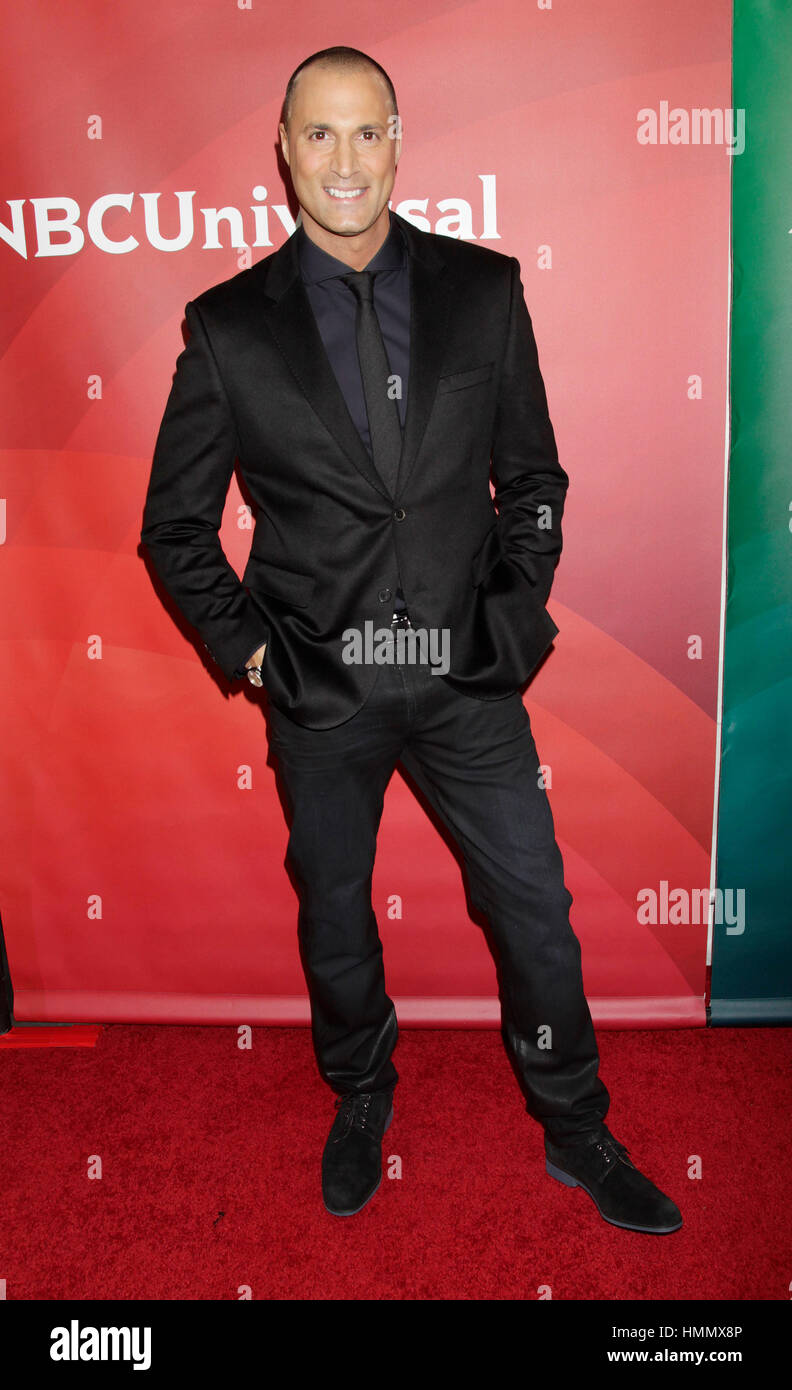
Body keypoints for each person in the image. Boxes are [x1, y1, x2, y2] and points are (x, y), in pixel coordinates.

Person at [141, 46, 682, 1234]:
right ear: (284, 152)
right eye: (319, 136)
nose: (345, 161)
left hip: (463, 681)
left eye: (366, 132)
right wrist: (256, 656)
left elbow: (533, 480)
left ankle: (576, 1124)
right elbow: (174, 529)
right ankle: (360, 1091)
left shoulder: (484, 291)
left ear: (399, 139)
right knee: (335, 911)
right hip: (319, 686)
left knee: (535, 907)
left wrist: (508, 622)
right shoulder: (228, 328)